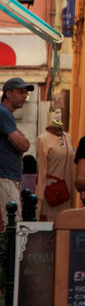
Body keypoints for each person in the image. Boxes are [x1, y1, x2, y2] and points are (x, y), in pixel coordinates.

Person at [0, 78, 33, 218]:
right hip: (5, 176)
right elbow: (23, 145)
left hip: (8, 176)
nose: (25, 96)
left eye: (26, 93)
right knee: (13, 223)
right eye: (21, 92)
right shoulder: (3, 112)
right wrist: (21, 140)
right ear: (8, 93)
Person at [35, 111, 75, 220]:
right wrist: (40, 197)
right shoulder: (42, 139)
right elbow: (42, 169)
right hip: (51, 192)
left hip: (67, 190)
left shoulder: (68, 137)